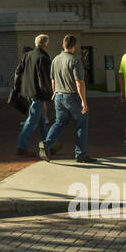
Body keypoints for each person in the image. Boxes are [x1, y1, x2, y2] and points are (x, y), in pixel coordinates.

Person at [42, 34, 92, 162]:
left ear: (63, 45)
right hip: (72, 96)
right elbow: (79, 82)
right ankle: (81, 155)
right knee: (81, 124)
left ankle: (47, 144)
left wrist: (55, 93)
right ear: (74, 46)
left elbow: (52, 80)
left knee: (60, 122)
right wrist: (84, 101)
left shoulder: (55, 60)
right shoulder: (75, 60)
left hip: (58, 95)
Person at [14, 34, 53, 156]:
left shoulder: (27, 55)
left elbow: (18, 73)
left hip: (27, 92)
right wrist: (50, 93)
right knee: (32, 120)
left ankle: (49, 145)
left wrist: (18, 88)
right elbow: (45, 78)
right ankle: (21, 146)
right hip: (38, 94)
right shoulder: (43, 57)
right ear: (46, 44)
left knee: (41, 121)